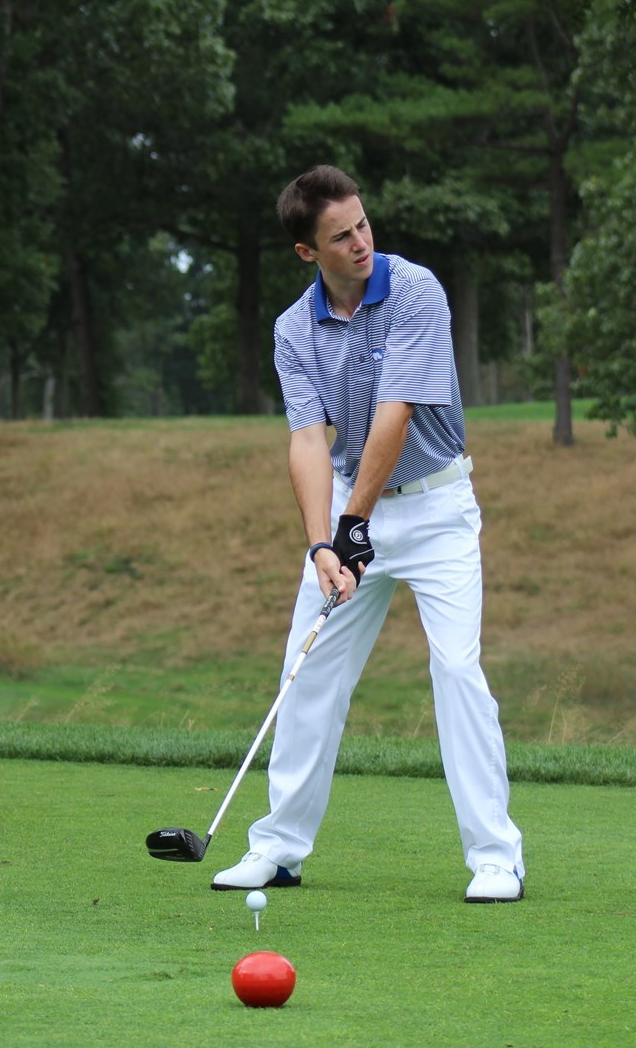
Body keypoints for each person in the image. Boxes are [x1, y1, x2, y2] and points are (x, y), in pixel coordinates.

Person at [211, 165, 525, 903]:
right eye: (340, 235)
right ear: (306, 252)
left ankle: (495, 856)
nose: (360, 242)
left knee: (456, 670)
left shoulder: (414, 289)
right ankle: (278, 848)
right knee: (309, 670)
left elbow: (396, 415)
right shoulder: (294, 329)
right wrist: (323, 543)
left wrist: (352, 523)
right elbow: (307, 441)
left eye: (362, 224)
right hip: (355, 510)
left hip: (438, 508)